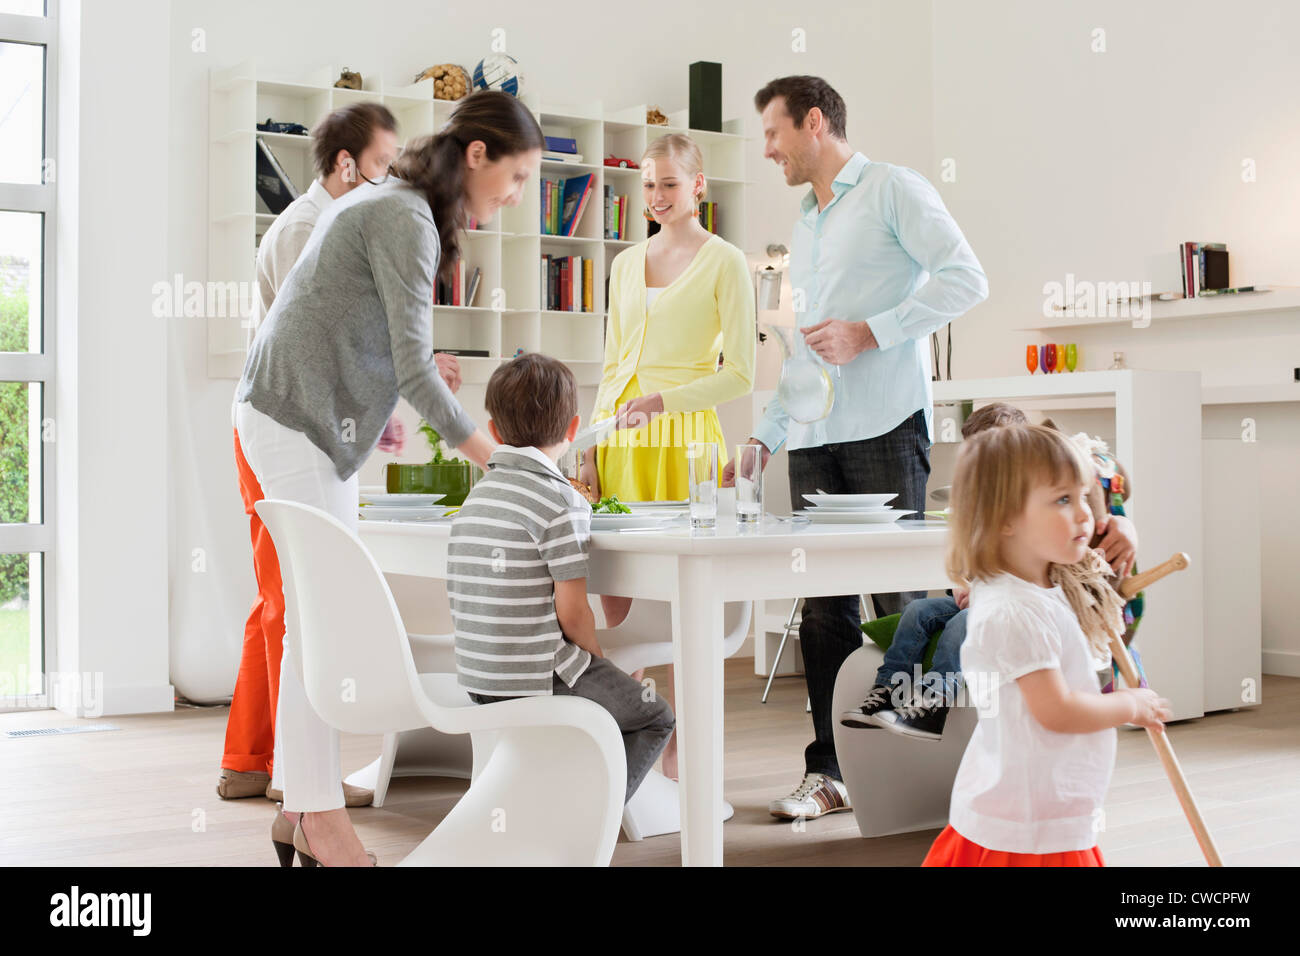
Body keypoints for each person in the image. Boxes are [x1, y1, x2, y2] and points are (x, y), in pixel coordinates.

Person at [234, 90, 542, 866]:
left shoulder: (394, 202)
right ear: (478, 154)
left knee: (316, 622)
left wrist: (381, 416)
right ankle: (320, 818)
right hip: (292, 420)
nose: (515, 196)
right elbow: (413, 361)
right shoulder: (404, 216)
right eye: (516, 177)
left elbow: (339, 322)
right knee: (320, 624)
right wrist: (499, 458)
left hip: (299, 419)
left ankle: (304, 811)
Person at [732, 75, 988, 820]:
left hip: (884, 426)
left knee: (902, 599)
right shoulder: (805, 222)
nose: (768, 150)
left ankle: (925, 773)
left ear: (815, 123)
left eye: (774, 133)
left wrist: (871, 331)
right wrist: (765, 435)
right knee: (823, 612)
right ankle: (831, 772)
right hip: (816, 437)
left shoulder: (892, 190)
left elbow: (965, 278)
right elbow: (810, 353)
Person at [220, 102, 445, 806]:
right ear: (347, 164)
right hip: (284, 421)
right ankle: (279, 773)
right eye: (381, 166)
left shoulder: (329, 220)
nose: (389, 184)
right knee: (295, 605)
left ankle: (261, 766)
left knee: (285, 601)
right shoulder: (312, 226)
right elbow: (310, 346)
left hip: (296, 421)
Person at [577, 133, 755, 778]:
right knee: (617, 596)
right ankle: (634, 727)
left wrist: (664, 402)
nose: (656, 196)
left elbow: (740, 375)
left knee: (682, 596)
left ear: (698, 187)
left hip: (683, 446)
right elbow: (611, 362)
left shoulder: (726, 261)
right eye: (648, 184)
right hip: (620, 444)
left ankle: (682, 742)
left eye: (670, 184)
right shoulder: (625, 263)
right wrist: (591, 446)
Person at [921, 424, 1170, 866]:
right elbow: (1056, 711)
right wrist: (1131, 705)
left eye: (1081, 496)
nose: (1084, 516)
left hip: (1045, 808)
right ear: (1005, 519)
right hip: (1029, 828)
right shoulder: (1015, 609)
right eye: (1062, 500)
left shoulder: (1040, 588)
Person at [450, 353, 675, 804]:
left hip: (478, 679)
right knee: (655, 715)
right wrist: (599, 663)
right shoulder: (561, 500)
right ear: (573, 430)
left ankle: (562, 799)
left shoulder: (477, 496)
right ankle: (587, 819)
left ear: (493, 431)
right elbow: (573, 613)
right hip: (538, 678)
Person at [840, 403, 1141, 739]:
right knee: (917, 610)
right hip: (990, 590)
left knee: (963, 624)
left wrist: (1121, 520)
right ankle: (888, 692)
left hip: (1021, 597)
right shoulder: (994, 501)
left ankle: (933, 704)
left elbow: (1111, 485)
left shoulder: (1039, 496)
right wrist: (966, 585)